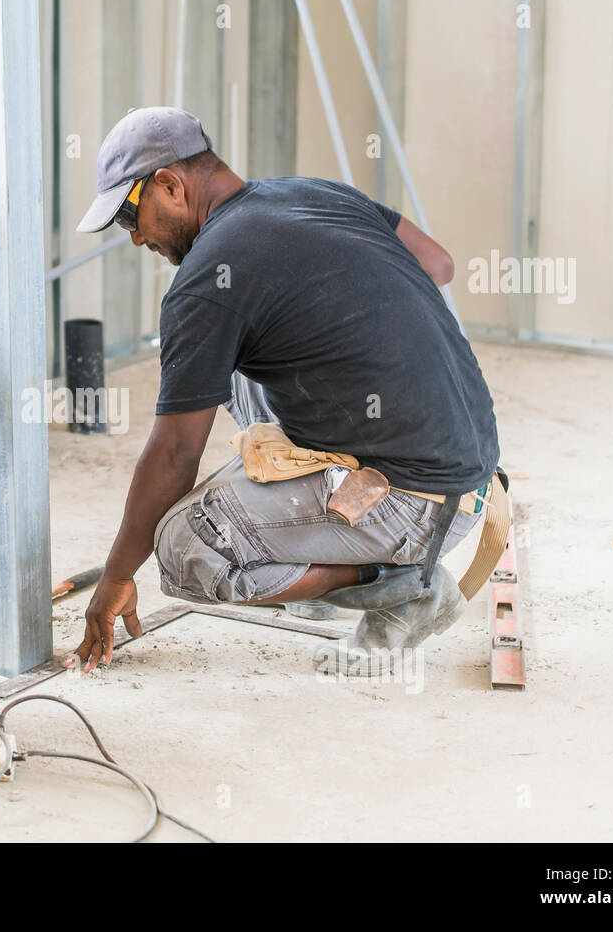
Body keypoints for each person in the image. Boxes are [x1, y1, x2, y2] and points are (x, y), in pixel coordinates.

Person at [65, 107, 501, 677]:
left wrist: (118, 576)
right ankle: (353, 540)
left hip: (412, 505)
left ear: (170, 185)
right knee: (241, 354)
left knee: (184, 547)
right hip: (473, 474)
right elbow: (437, 265)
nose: (138, 237)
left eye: (130, 217)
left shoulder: (204, 283)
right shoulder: (310, 193)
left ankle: (401, 585)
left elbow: (174, 455)